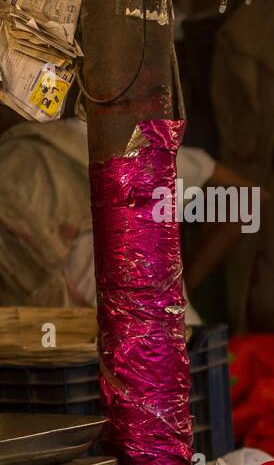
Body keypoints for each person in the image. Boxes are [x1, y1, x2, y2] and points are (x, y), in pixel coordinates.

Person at [0, 116, 253, 319]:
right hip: (180, 341)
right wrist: (188, 280)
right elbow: (251, 198)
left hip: (90, 351)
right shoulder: (140, 147)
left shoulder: (17, 162)